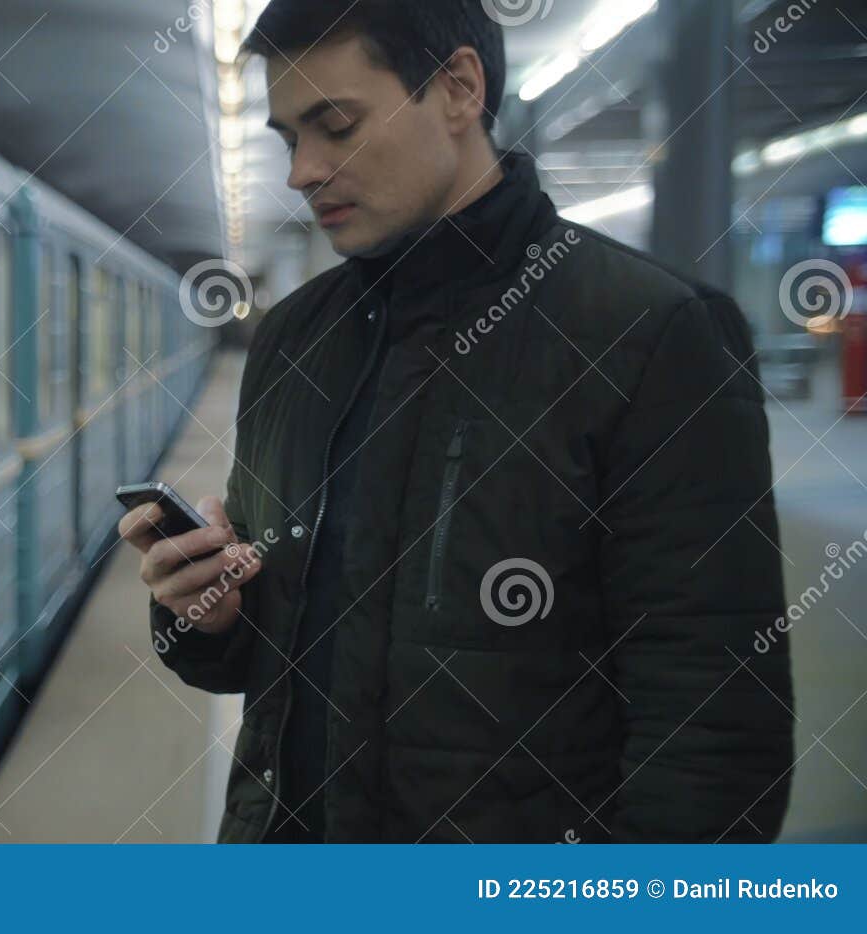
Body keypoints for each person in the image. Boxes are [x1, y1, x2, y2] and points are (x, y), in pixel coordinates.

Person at [117, 0, 794, 843]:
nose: (303, 171)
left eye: (335, 125)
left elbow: (712, 727)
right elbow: (272, 655)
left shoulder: (648, 334)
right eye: (289, 138)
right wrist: (208, 616)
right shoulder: (293, 343)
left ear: (458, 89)